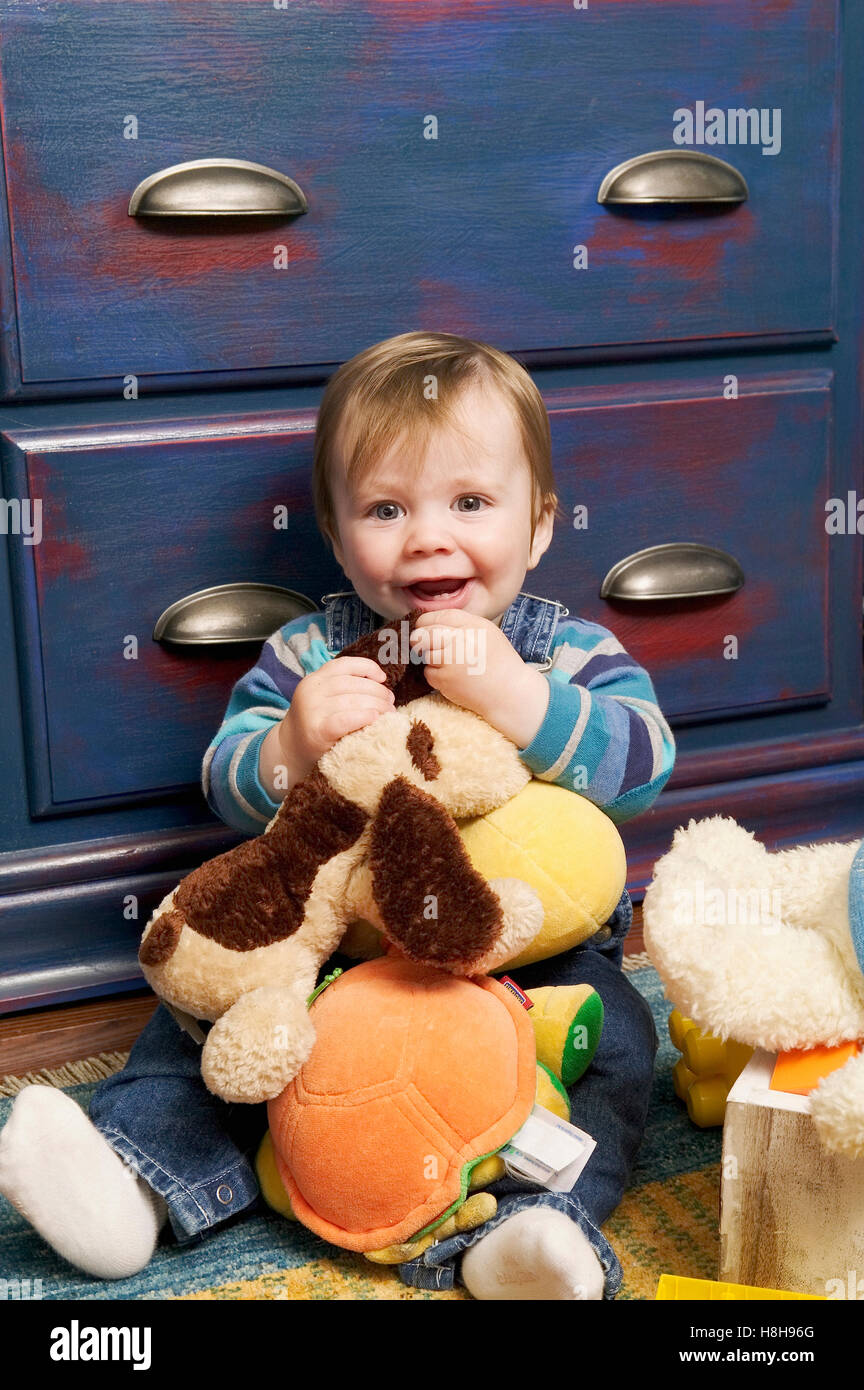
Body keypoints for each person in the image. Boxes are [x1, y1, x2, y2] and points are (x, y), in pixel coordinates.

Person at [0, 331, 675, 1299]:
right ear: (335, 527)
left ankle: (535, 1224)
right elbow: (227, 781)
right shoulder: (312, 649)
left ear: (538, 526)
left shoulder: (567, 652)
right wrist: (292, 747)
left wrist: (524, 703)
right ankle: (137, 1180)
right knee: (199, 1015)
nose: (429, 537)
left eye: (472, 504)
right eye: (386, 508)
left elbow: (643, 763)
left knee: (614, 1039)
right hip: (333, 950)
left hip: (516, 953)